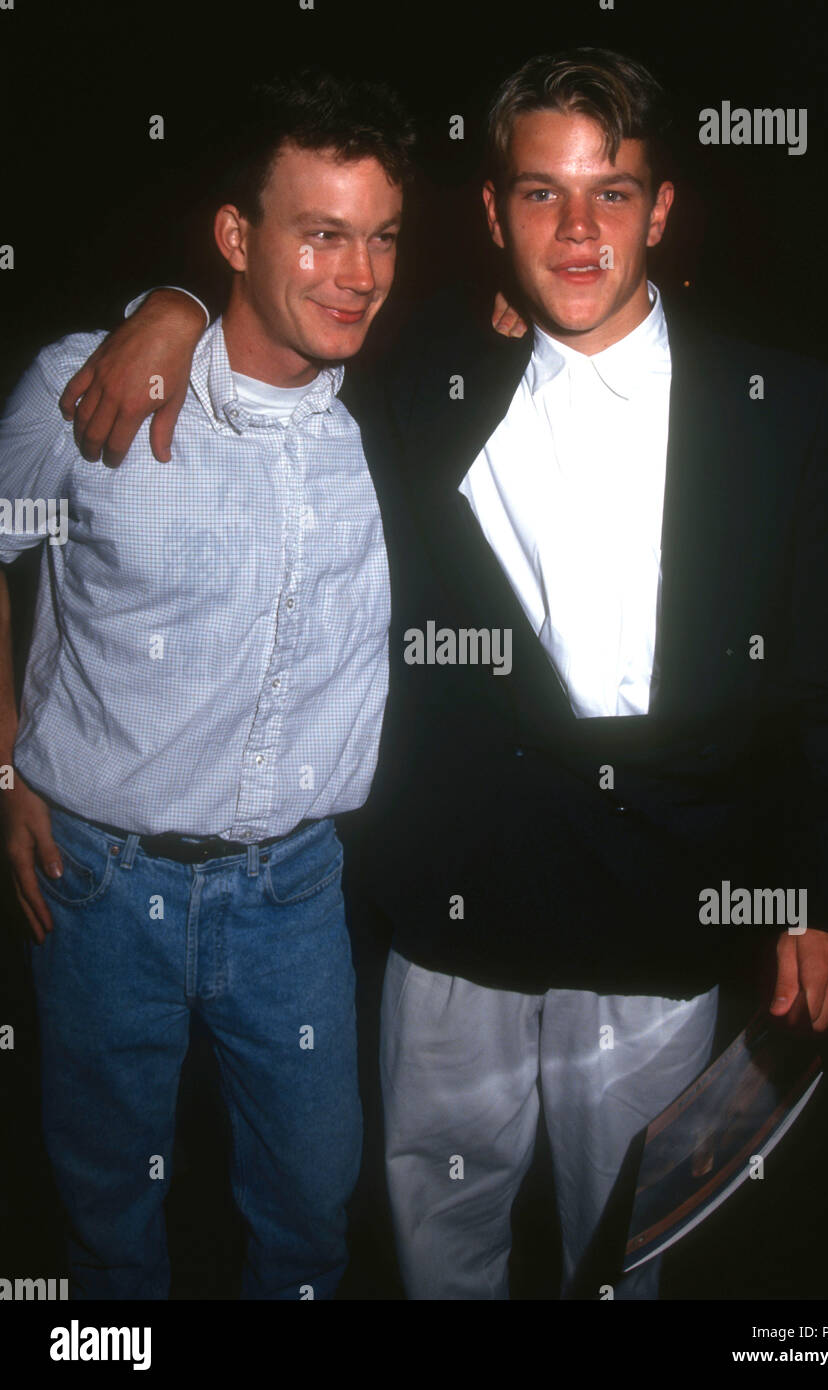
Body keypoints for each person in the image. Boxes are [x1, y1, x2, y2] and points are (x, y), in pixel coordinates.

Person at [23, 48, 828, 1300]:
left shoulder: (787, 407)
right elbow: (264, 318)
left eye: (612, 192)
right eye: (541, 193)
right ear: (492, 216)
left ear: (658, 208)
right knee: (435, 1247)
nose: (579, 228)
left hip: (664, 919)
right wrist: (166, 302)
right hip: (450, 917)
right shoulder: (415, 376)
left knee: (631, 1255)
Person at [0, 68, 413, 1299]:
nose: (358, 274)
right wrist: (5, 762)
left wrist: (173, 299)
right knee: (107, 1231)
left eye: (382, 236)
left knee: (308, 1220)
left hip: (293, 897)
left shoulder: (396, 412)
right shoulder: (90, 387)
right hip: (95, 884)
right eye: (321, 232)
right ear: (239, 236)